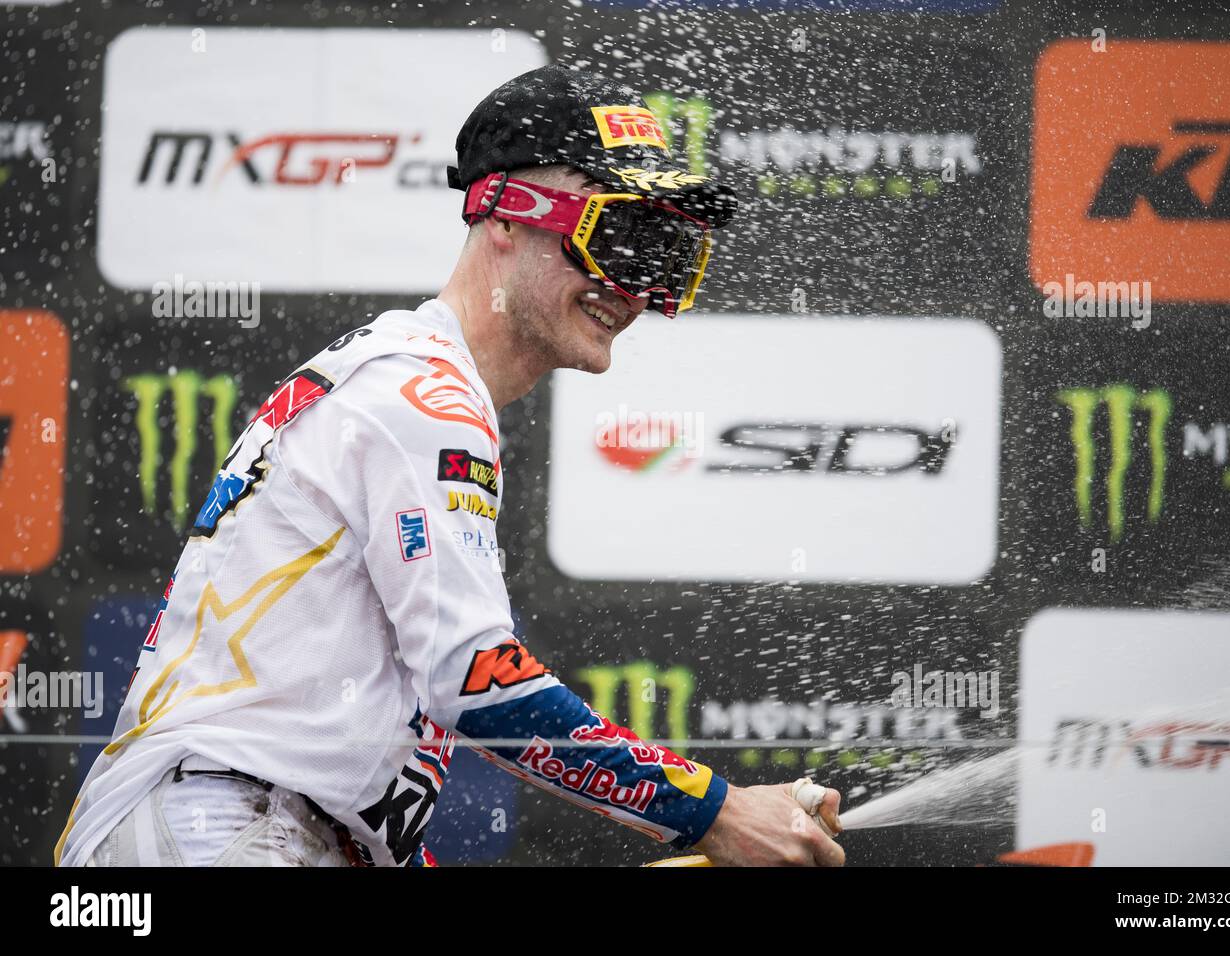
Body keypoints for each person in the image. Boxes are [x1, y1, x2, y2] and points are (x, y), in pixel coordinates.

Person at [55, 64, 844, 868]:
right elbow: (474, 681)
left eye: (665, 257)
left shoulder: (406, 376)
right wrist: (713, 811)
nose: (634, 289)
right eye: (616, 239)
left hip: (233, 821)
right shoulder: (423, 395)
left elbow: (362, 725)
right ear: (505, 214)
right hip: (224, 823)